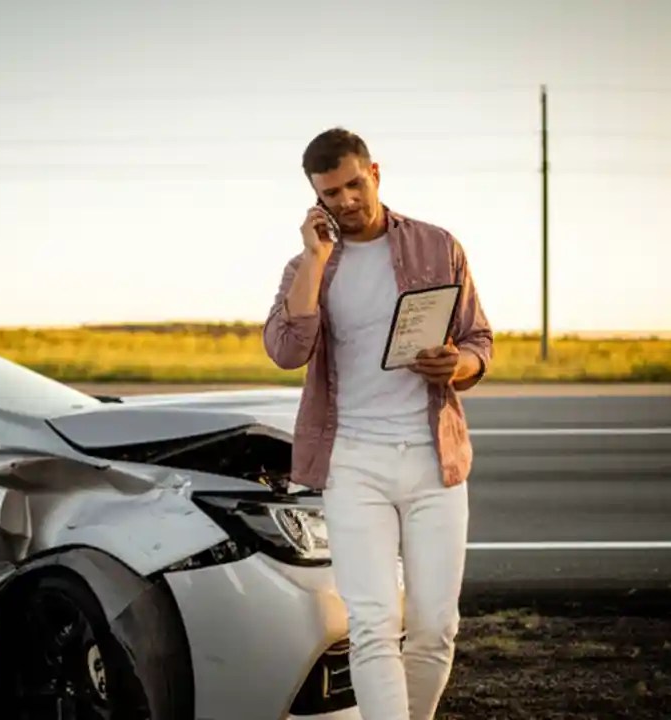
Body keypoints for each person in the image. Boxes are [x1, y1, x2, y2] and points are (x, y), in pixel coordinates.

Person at [262, 128, 493, 720]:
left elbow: (478, 341)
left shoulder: (438, 247)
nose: (344, 202)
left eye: (352, 184)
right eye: (329, 193)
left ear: (375, 173)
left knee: (435, 626)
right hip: (352, 463)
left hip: (432, 458)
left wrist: (458, 362)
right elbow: (287, 350)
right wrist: (314, 261)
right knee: (372, 624)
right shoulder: (306, 265)